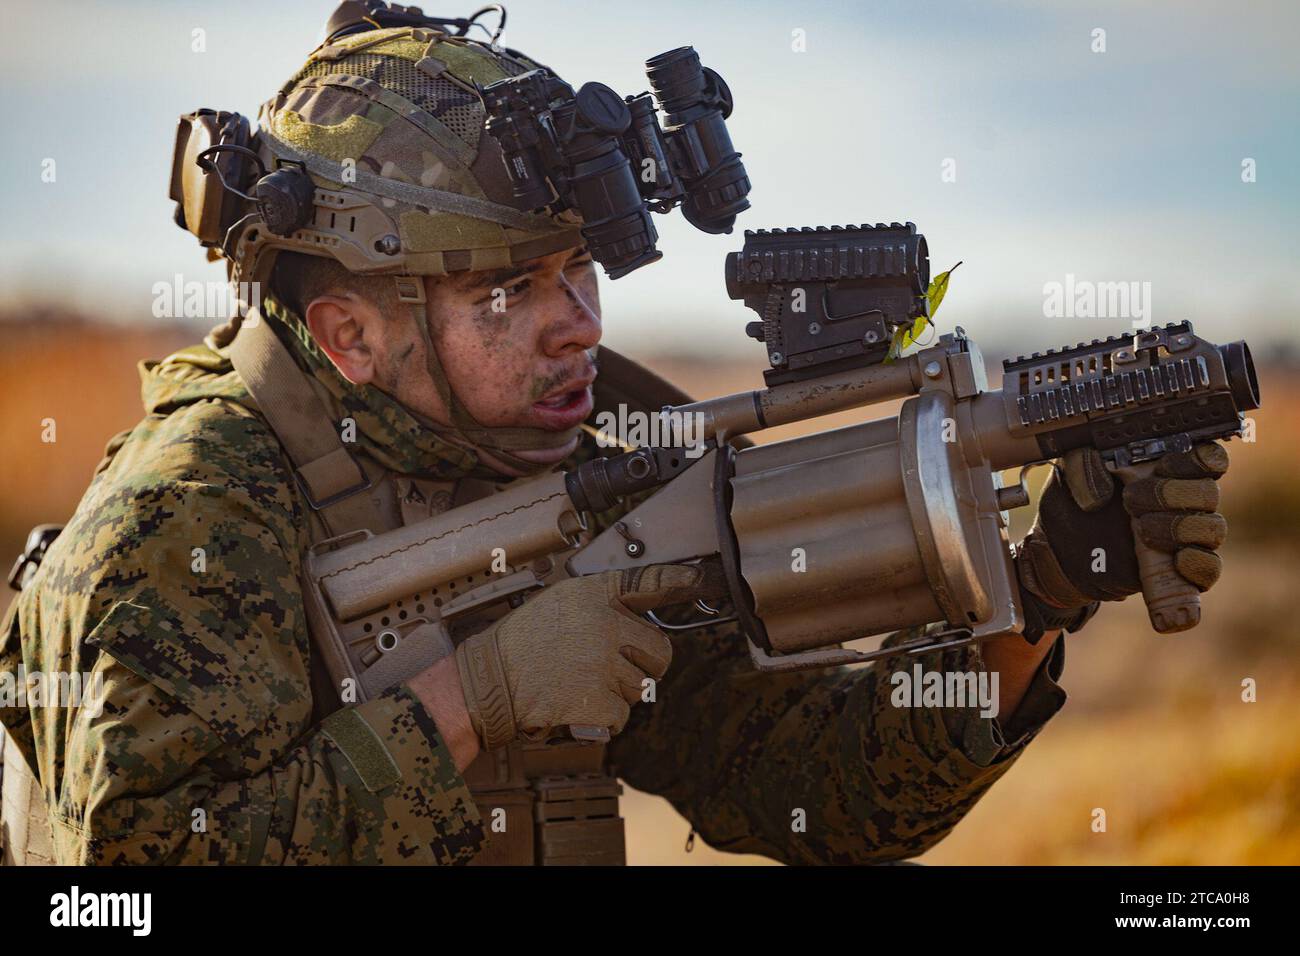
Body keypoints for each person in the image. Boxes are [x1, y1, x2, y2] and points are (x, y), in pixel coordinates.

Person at [0, 6, 1231, 866]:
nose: (575, 324)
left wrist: (1040, 590)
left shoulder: (592, 461)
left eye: (582, 269)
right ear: (349, 331)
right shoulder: (190, 514)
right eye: (510, 290)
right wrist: (471, 700)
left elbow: (798, 787)